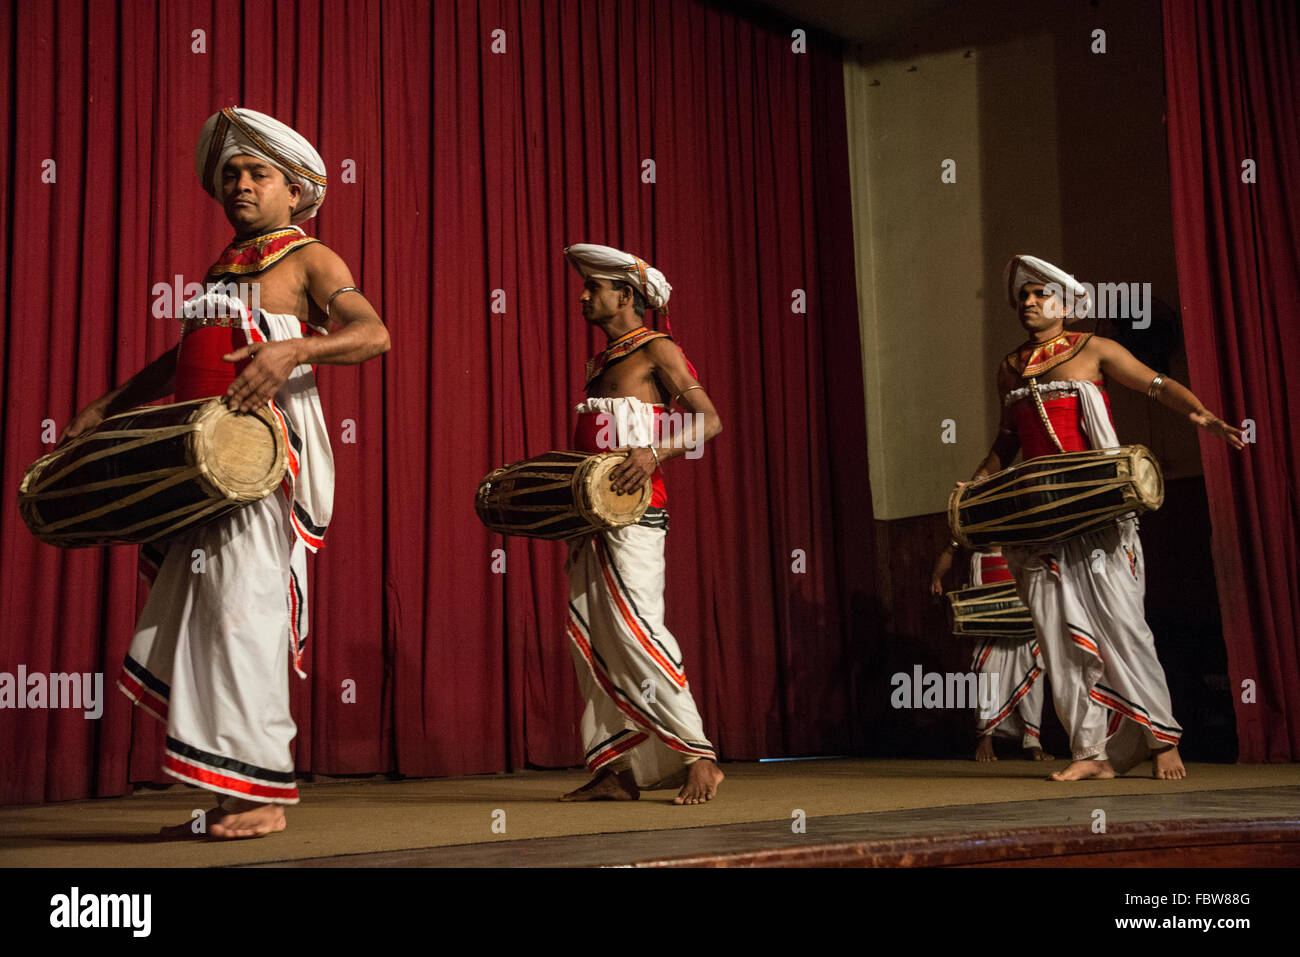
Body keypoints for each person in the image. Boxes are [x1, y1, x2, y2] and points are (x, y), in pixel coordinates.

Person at [62, 106, 390, 837]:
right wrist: (111, 403)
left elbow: (374, 334)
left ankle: (264, 795)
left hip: (261, 461)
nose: (240, 184)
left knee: (247, 612)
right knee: (209, 618)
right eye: (232, 173)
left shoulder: (311, 258)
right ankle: (227, 795)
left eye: (258, 173)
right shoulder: (222, 265)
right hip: (201, 465)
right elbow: (186, 351)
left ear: (296, 190)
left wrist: (293, 352)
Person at [961, 254, 1243, 782]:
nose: (1029, 302)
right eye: (1022, 296)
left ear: (1066, 303)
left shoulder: (1095, 349)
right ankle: (1090, 753)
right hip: (1041, 517)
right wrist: (979, 485)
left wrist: (1199, 413)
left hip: (1096, 511)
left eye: (1040, 294)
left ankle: (1161, 739)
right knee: (1058, 636)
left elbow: (1154, 384)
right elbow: (1007, 440)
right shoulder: (1009, 366)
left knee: (1123, 625)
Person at [556, 243, 725, 805]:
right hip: (593, 518)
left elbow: (709, 421)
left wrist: (654, 453)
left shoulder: (658, 349)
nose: (582, 296)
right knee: (593, 637)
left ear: (624, 295)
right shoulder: (600, 363)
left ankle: (699, 754)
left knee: (637, 630)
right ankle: (617, 768)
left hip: (638, 513)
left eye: (592, 288)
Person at [930, 543, 1052, 762]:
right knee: (988, 675)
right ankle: (985, 738)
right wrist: (936, 578)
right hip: (989, 617)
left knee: (1033, 675)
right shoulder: (973, 524)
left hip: (1024, 615)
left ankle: (1033, 740)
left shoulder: (1018, 526)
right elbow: (949, 550)